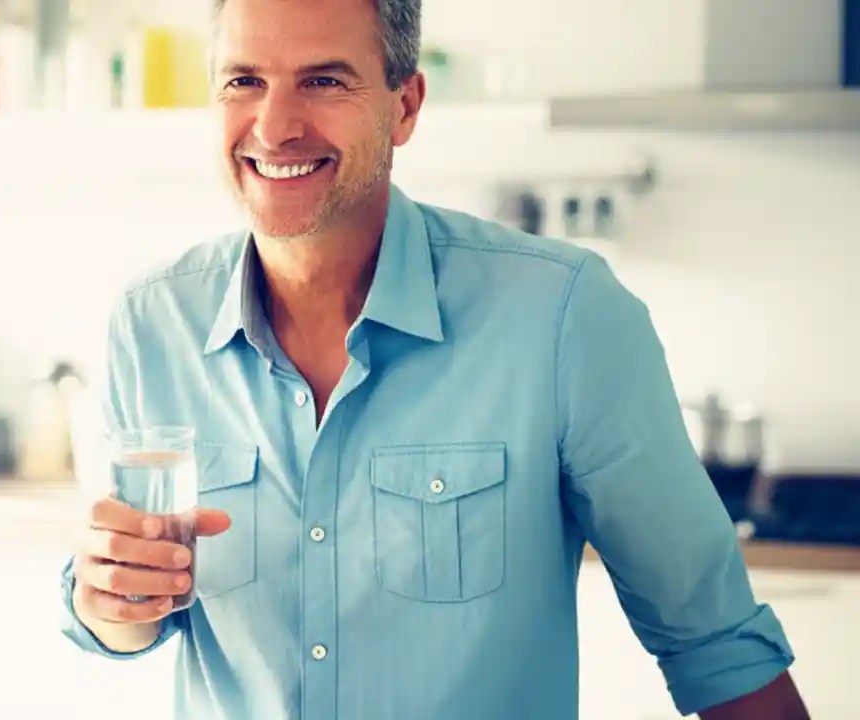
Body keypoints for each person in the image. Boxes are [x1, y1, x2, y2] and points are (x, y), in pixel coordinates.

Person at [60, 0, 809, 717]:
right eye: (243, 80)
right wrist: (111, 600)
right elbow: (128, 612)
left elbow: (719, 650)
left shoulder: (564, 317)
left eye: (324, 80)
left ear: (406, 105)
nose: (276, 124)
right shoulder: (151, 324)